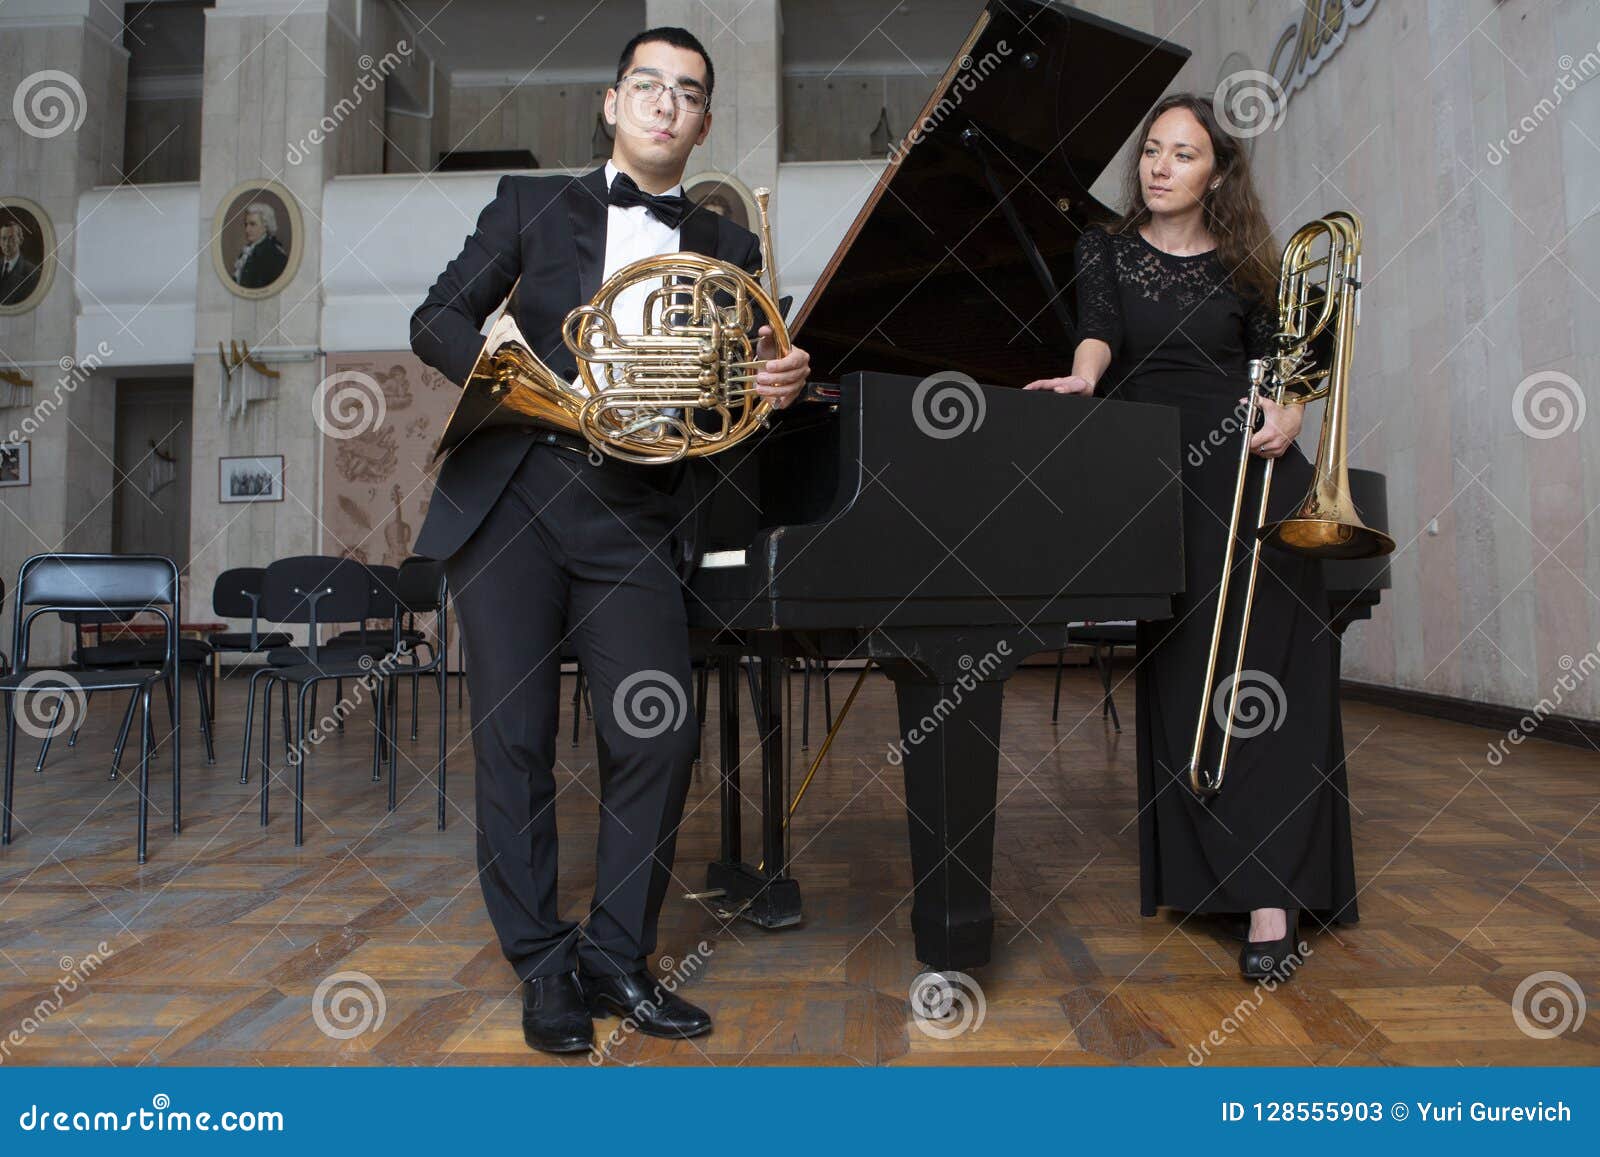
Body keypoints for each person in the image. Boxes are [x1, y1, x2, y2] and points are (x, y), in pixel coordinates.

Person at [409, 26, 811, 1052]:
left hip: (637, 507)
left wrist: (771, 386)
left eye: (687, 92)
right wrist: (532, 384)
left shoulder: (730, 246)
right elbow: (437, 319)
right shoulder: (531, 202)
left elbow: (725, 394)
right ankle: (544, 968)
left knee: (658, 730)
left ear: (705, 120)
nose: (665, 104)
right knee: (515, 739)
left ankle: (617, 955)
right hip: (513, 498)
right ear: (611, 101)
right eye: (648, 85)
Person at [1025, 93, 1358, 982]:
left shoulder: (1254, 265)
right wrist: (1082, 380)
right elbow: (1097, 331)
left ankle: (1274, 895)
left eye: (1184, 153)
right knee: (1183, 673)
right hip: (1155, 473)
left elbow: (1292, 367)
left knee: (1276, 678)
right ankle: (1207, 873)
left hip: (1254, 474)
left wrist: (1291, 414)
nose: (1161, 166)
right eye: (1152, 152)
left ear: (1217, 172)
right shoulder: (1104, 249)